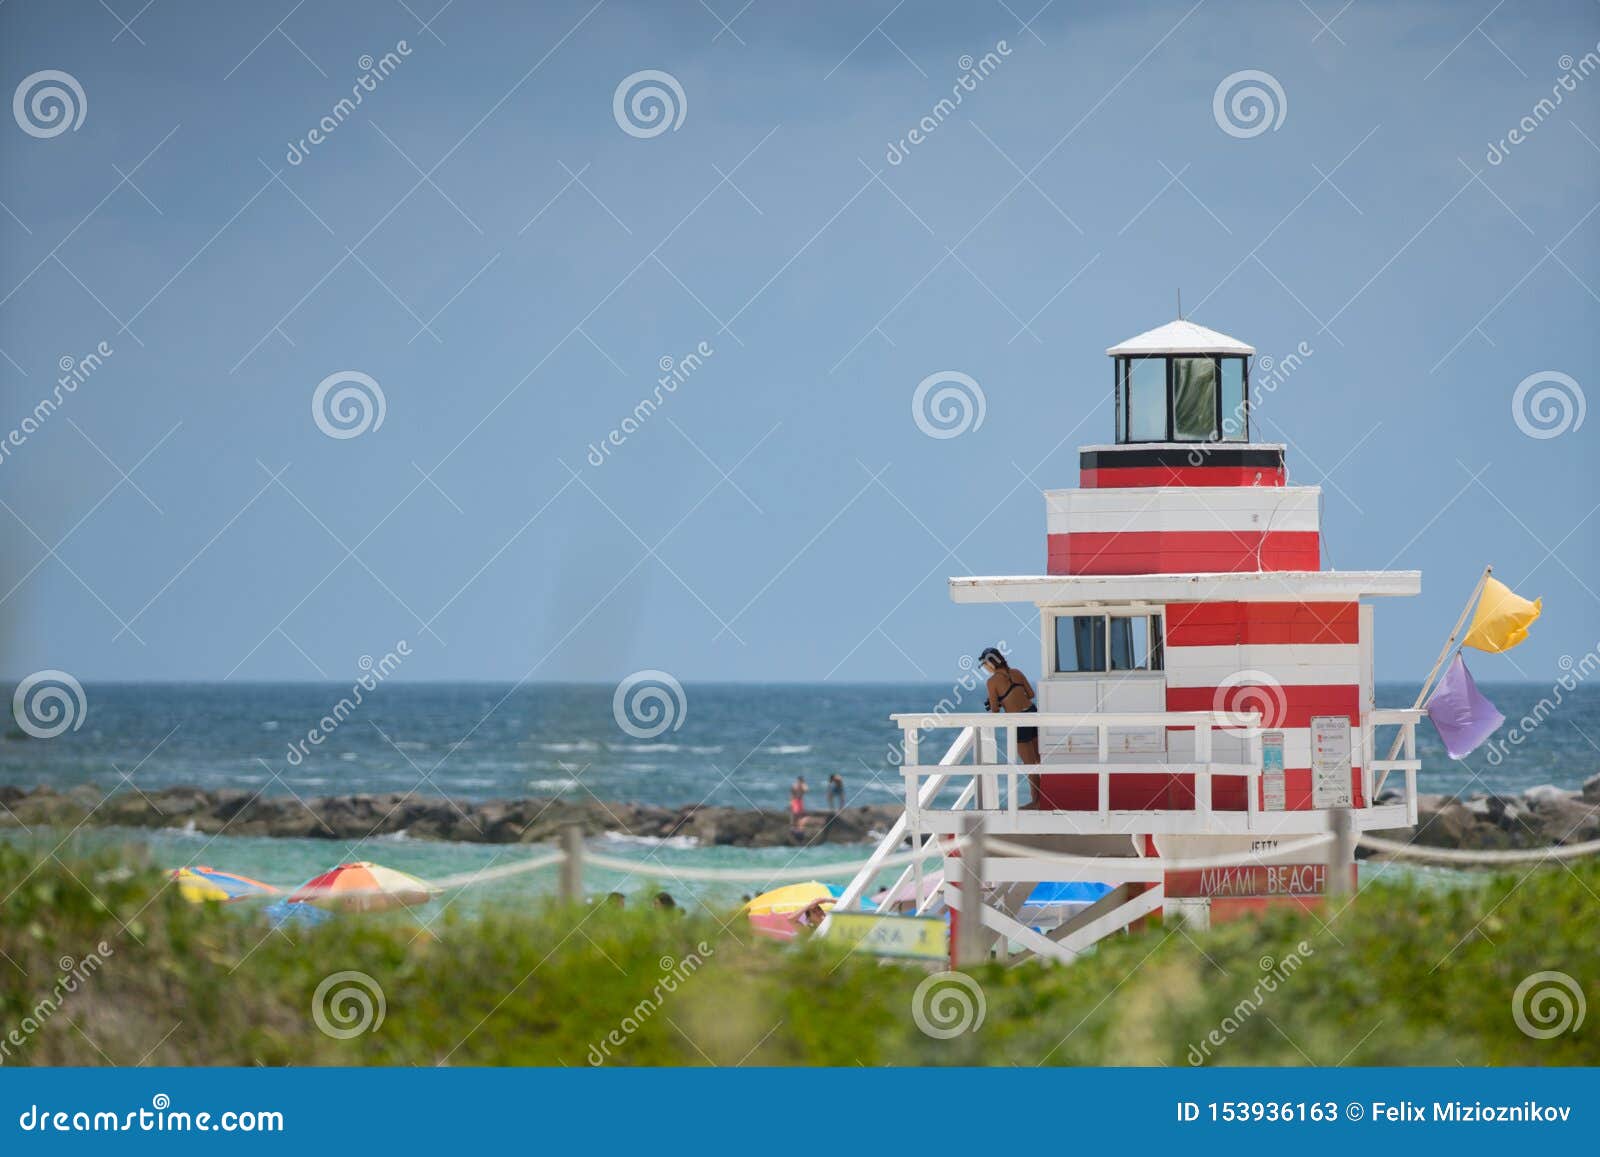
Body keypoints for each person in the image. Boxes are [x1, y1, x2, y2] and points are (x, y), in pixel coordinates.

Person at [981, 645, 1042, 803]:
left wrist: (999, 700)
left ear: (991, 664)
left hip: (1018, 721)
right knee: (1040, 760)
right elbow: (1031, 694)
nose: (985, 668)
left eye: (984, 665)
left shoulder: (992, 681)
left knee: (1029, 765)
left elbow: (994, 710)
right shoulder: (1017, 672)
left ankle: (1037, 802)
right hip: (1032, 714)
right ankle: (1046, 800)